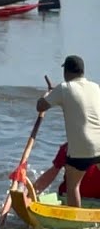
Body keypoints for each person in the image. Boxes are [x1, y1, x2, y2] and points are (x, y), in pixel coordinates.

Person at [38, 56, 100, 207]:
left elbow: (40, 107)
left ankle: (76, 221)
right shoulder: (95, 87)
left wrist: (47, 95)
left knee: (73, 186)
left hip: (82, 148)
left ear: (66, 72)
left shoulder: (64, 87)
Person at [33, 143, 100, 200]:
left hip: (96, 200)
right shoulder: (68, 148)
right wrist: (32, 193)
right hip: (67, 197)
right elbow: (50, 175)